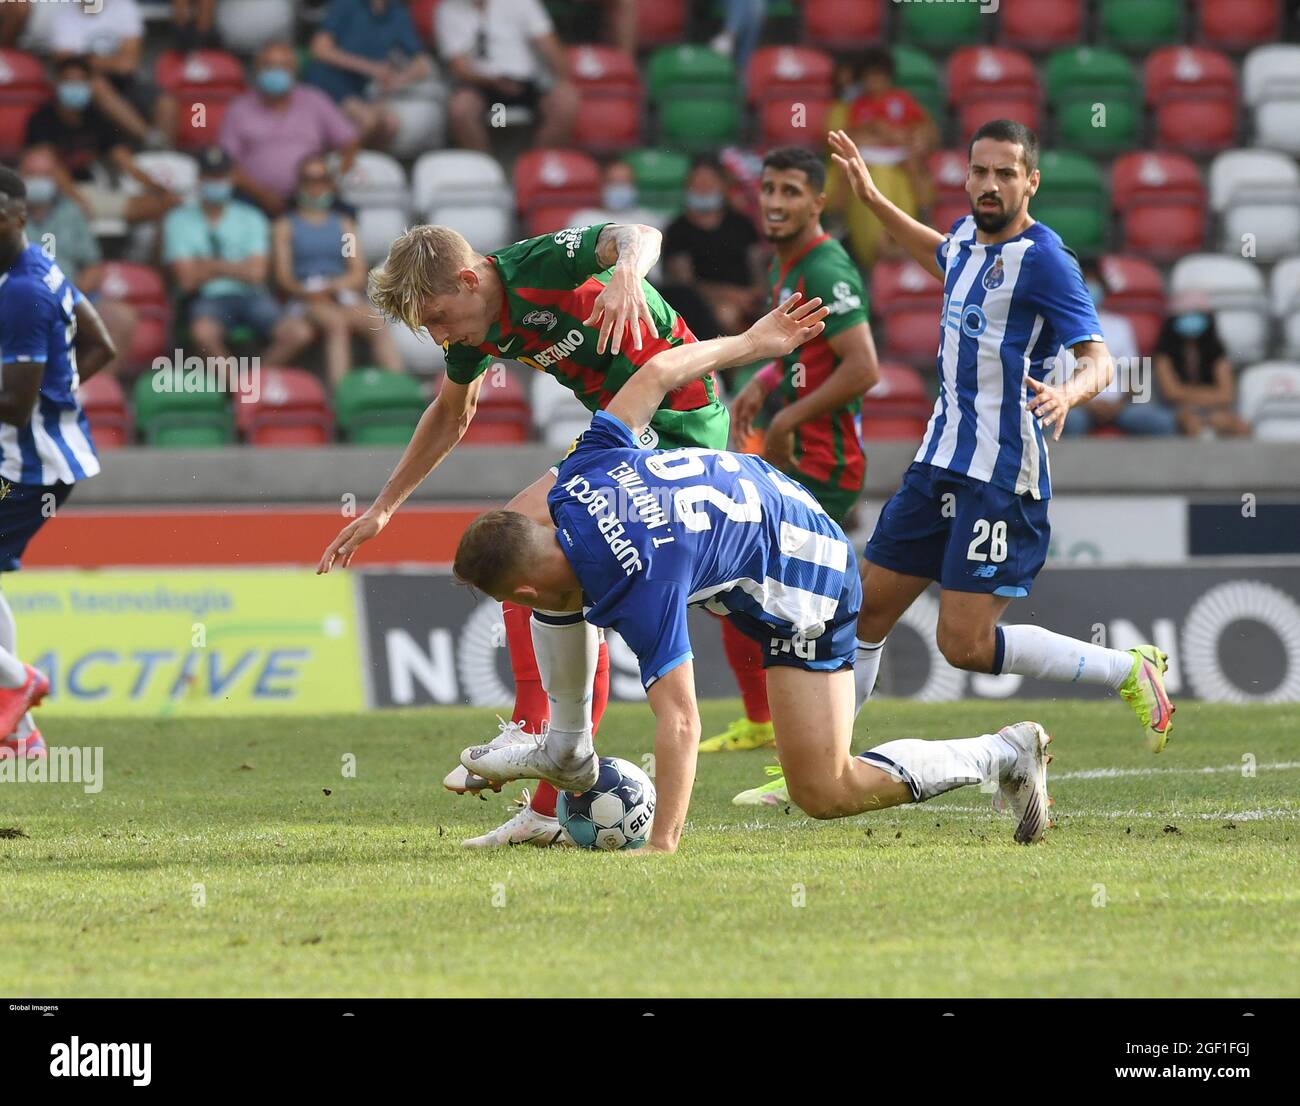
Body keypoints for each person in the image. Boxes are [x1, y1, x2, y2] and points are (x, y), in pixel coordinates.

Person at [451, 292, 1056, 853]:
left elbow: (683, 721)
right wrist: (753, 343)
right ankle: (565, 748)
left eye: (521, 601)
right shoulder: (578, 478)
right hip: (761, 493)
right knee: (567, 599)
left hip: (804, 570)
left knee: (824, 788)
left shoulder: (641, 582)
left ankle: (999, 753)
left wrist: (661, 849)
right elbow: (657, 373)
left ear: (521, 590)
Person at [734, 122, 1178, 807]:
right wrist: (874, 201)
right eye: (979, 172)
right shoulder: (968, 239)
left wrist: (1067, 392)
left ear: (1031, 181)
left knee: (965, 645)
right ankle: (816, 771)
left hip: (999, 475)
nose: (990, 185)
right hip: (937, 461)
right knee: (863, 614)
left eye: (1006, 173)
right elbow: (937, 253)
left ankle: (1130, 669)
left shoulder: (1045, 259)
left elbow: (1100, 359)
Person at [316, 219, 731, 848]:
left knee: (519, 537)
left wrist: (625, 273)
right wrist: (383, 509)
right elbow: (453, 412)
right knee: (539, 572)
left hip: (679, 419)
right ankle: (548, 799)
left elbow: (637, 231)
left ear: (467, 278)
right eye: (427, 329)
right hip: (624, 429)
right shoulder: (472, 329)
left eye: (437, 317)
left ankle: (535, 730)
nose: (439, 335)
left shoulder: (536, 264)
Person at [705, 146, 880, 757]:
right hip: (798, 453)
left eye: (790, 192)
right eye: (768, 189)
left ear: (818, 202)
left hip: (825, 463)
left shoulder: (826, 266)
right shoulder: (786, 264)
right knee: (732, 587)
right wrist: (763, 384)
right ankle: (766, 725)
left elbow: (863, 368)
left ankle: (807, 754)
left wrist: (787, 423)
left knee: (785, 603)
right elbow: (810, 354)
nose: (776, 203)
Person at [0, 167, 116, 758]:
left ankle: (22, 682)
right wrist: (61, 398)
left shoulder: (23, 290)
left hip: (27, 468)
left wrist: (46, 404)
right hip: (37, 459)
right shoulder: (40, 272)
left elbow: (15, 408)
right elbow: (102, 344)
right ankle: (21, 733)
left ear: (18, 217)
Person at [162, 148, 304, 365]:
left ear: (231, 179)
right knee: (204, 334)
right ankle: (239, 388)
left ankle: (254, 384)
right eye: (211, 176)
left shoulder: (251, 216)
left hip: (251, 295)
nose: (216, 182)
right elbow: (187, 280)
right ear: (199, 179)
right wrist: (238, 268)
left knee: (298, 333)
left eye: (221, 176)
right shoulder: (178, 219)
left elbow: (257, 274)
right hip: (206, 297)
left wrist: (209, 266)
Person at [271, 155, 402, 387]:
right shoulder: (285, 226)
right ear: (299, 183)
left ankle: (400, 390)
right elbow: (284, 277)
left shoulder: (344, 225)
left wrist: (335, 286)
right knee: (335, 324)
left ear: (330, 183)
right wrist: (310, 292)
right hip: (304, 298)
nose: (315, 186)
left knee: (377, 323)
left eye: (321, 179)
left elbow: (356, 269)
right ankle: (341, 395)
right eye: (309, 179)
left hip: (340, 292)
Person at [19, 146, 136, 377]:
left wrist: (69, 296)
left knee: (122, 317)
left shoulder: (72, 212)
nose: (38, 181)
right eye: (31, 174)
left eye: (45, 174)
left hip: (68, 296)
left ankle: (93, 390)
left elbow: (93, 266)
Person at [24, 55, 179, 228]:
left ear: (89, 85)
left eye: (80, 81)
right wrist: (77, 201)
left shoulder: (97, 118)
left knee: (162, 205)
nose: (74, 87)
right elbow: (49, 168)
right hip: (55, 194)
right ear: (57, 83)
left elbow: (126, 163)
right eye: (69, 81)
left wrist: (161, 191)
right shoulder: (42, 119)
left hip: (91, 192)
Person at [219, 42, 361, 217]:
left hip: (310, 195)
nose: (276, 72)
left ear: (294, 71)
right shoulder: (239, 108)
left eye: (283, 66)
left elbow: (349, 142)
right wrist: (262, 195)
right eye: (268, 66)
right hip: (253, 198)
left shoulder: (315, 100)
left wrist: (331, 180)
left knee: (346, 215)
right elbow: (227, 164)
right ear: (255, 71)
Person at [826, 49, 936, 269]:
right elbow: (856, 133)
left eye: (879, 77)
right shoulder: (859, 104)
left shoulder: (901, 100)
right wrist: (875, 132)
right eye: (869, 78)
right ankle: (837, 219)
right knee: (847, 171)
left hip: (897, 152)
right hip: (871, 153)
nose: (874, 82)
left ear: (888, 78)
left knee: (914, 167)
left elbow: (919, 128)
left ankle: (924, 213)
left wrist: (893, 134)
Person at [436, 0, 579, 153]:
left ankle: (537, 166)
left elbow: (549, 46)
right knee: (461, 108)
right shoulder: (448, 9)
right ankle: (485, 169)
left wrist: (563, 81)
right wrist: (494, 82)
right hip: (480, 85)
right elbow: (459, 67)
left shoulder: (522, 2)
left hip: (527, 83)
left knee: (566, 101)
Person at [1058, 260, 1177, 437]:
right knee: (1069, 421)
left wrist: (1119, 404)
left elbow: (1133, 376)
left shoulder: (1120, 325)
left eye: (1094, 284)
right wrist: (1086, 404)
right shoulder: (1057, 326)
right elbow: (1053, 377)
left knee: (1162, 422)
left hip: (1118, 406)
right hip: (1075, 406)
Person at [305, 0, 435, 151]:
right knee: (368, 121)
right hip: (328, 80)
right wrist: (371, 68)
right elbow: (320, 49)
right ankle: (340, 168)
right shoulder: (346, 4)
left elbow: (422, 64)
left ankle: (365, 167)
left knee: (391, 124)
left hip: (360, 87)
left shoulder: (397, 12)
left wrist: (397, 80)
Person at [662, 157, 765, 336]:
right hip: (706, 303)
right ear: (687, 188)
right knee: (726, 315)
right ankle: (730, 363)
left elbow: (759, 266)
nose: (703, 190)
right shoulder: (678, 230)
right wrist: (730, 295)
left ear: (723, 188)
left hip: (750, 297)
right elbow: (685, 285)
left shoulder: (741, 224)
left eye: (709, 185)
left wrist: (757, 293)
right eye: (698, 185)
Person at [48, 0, 167, 149]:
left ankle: (166, 157)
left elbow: (128, 66)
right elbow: (67, 63)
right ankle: (152, 140)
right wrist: (113, 61)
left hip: (126, 83)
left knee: (166, 102)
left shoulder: (124, 7)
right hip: (84, 86)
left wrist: (88, 59)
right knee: (97, 84)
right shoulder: (64, 15)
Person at [1152, 296, 1252, 438]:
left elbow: (1227, 395)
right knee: (1192, 423)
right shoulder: (1163, 356)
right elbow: (1172, 393)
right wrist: (1210, 394)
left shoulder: (1217, 356)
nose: (1191, 319)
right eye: (1185, 315)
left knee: (1236, 425)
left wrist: (1188, 394)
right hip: (1179, 410)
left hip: (1215, 410)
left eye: (1197, 314)